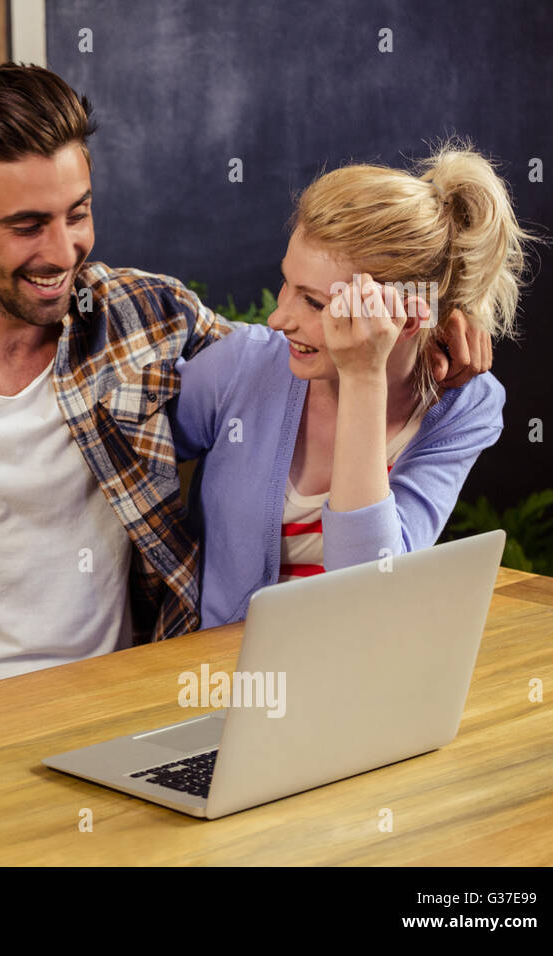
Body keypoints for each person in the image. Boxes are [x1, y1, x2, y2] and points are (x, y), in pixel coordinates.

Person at [0, 64, 491, 700]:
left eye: (79, 213)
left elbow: (288, 361)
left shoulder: (147, 317)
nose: (62, 251)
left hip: (118, 700)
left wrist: (431, 337)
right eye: (27, 225)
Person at [169, 143, 532, 627]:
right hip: (219, 674)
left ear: (404, 319)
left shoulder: (464, 406)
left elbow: (370, 588)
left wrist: (363, 378)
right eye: (287, 284)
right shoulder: (242, 367)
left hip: (357, 670)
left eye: (314, 303)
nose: (279, 318)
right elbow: (123, 458)